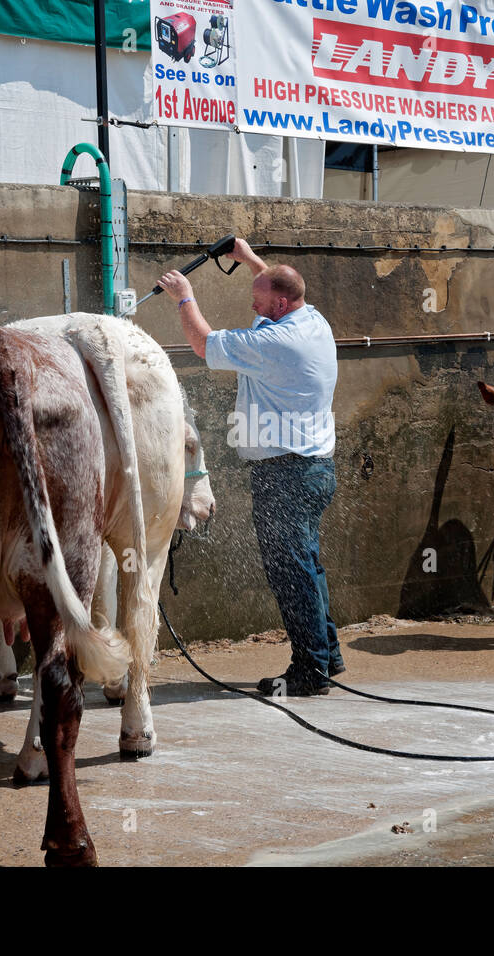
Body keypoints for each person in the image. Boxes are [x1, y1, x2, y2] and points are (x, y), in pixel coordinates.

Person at [157, 239, 342, 696]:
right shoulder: (310, 319)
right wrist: (248, 258)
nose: (251, 303)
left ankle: (310, 671)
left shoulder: (278, 341)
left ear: (279, 304)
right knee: (307, 566)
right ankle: (327, 654)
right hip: (311, 469)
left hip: (288, 475)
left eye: (258, 298)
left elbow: (203, 344)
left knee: (291, 573)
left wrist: (184, 295)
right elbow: (272, 287)